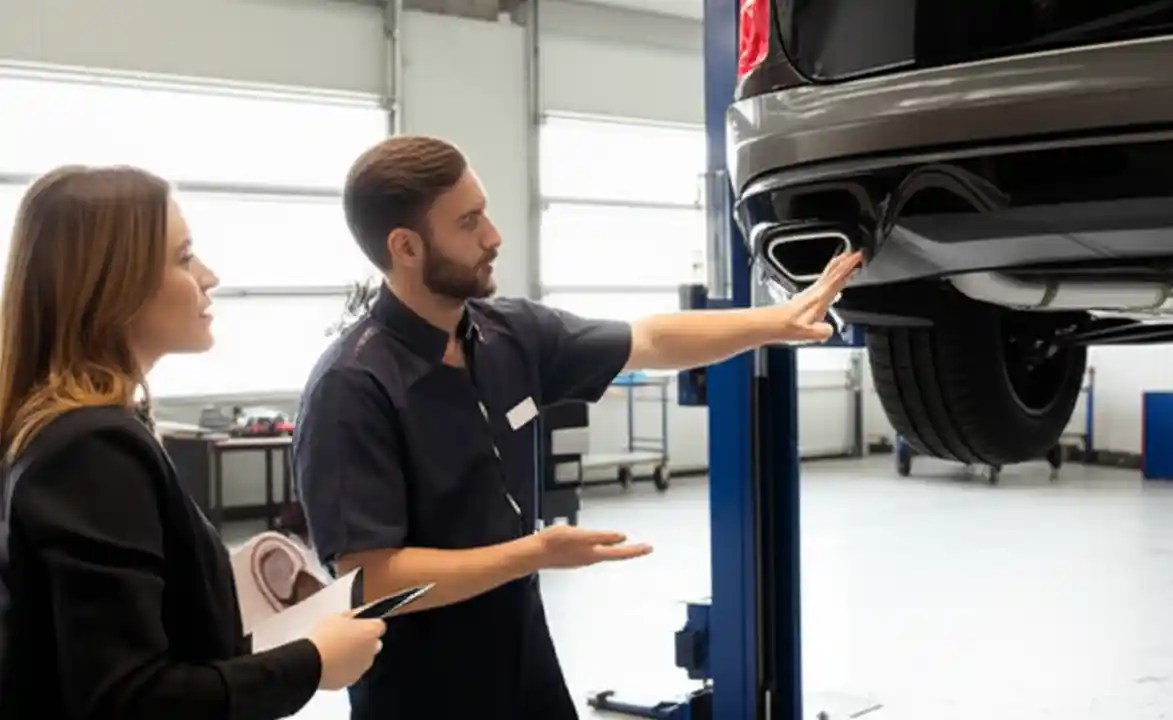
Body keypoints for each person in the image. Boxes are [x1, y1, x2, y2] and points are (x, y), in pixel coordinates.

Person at [292, 136, 860, 720]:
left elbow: (650, 339)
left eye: (484, 210)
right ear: (406, 247)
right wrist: (533, 552)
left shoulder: (508, 335)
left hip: (524, 659)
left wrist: (776, 320)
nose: (493, 235)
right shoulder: (352, 389)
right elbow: (371, 577)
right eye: (469, 222)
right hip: (423, 688)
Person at [0, 166, 388, 719]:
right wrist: (313, 661)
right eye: (184, 259)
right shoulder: (91, 449)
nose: (209, 276)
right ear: (115, 284)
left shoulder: (69, 429)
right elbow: (130, 698)